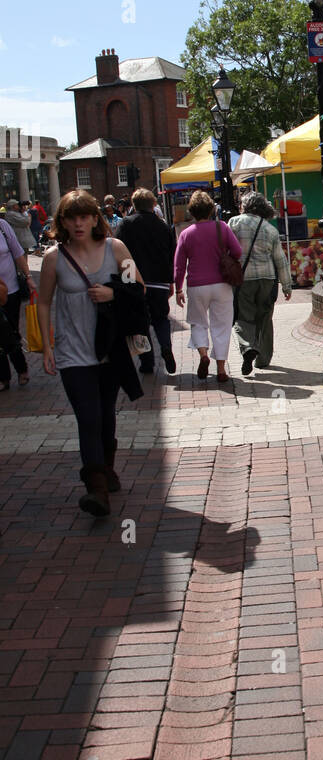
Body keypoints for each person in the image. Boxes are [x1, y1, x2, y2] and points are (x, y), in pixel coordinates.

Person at [37, 190, 145, 516]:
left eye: (85, 216)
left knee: (106, 416)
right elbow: (43, 302)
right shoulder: (54, 258)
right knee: (88, 417)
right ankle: (96, 488)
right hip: (72, 352)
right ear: (63, 223)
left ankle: (106, 469)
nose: (79, 223)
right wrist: (46, 345)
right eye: (72, 218)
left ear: (96, 218)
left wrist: (112, 291)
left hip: (109, 350)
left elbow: (136, 288)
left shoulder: (115, 249)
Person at [173, 190, 242, 383]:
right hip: (221, 284)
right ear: (212, 209)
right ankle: (221, 369)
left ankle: (203, 354)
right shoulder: (222, 227)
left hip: (196, 286)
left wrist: (178, 288)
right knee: (222, 325)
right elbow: (237, 251)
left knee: (198, 322)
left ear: (192, 212)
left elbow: (179, 266)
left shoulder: (186, 234)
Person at [228, 192, 291, 375]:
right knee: (265, 318)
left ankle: (247, 348)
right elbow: (280, 259)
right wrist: (287, 286)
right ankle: (263, 360)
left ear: (245, 205)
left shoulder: (234, 223)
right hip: (267, 279)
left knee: (243, 316)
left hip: (243, 278)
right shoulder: (270, 229)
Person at [117, 188, 177, 374]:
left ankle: (147, 362)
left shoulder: (126, 224)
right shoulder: (164, 226)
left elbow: (118, 252)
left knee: (139, 323)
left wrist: (125, 278)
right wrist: (171, 282)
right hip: (159, 281)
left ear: (134, 205)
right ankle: (166, 347)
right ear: (153, 204)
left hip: (133, 281)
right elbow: (171, 255)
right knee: (161, 318)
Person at [0, 209, 35, 388]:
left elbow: (17, 252)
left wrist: (28, 277)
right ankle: (3, 377)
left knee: (11, 332)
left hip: (10, 290)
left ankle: (22, 370)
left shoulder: (3, 227)